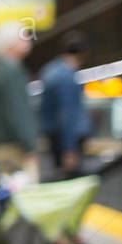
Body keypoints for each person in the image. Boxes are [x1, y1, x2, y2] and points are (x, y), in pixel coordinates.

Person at [0, 20, 39, 195]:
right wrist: (30, 146)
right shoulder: (10, 72)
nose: (28, 40)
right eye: (22, 37)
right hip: (14, 150)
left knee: (4, 194)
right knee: (23, 196)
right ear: (10, 44)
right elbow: (18, 114)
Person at [38, 31, 92, 180]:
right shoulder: (66, 77)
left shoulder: (49, 71)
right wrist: (69, 149)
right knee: (70, 183)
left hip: (54, 137)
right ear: (82, 53)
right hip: (68, 141)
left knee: (59, 178)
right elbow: (67, 113)